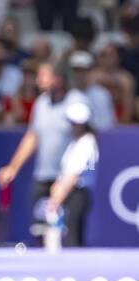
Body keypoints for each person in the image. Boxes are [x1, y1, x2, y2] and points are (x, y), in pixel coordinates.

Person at [0, 62, 89, 243]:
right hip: (43, 177)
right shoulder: (41, 103)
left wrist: (67, 179)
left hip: (71, 181)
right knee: (40, 233)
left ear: (59, 78)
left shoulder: (77, 101)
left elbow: (84, 141)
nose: (38, 81)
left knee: (70, 237)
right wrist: (13, 167)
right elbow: (33, 136)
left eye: (43, 75)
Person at [46, 100, 100, 247]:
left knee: (73, 239)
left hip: (76, 194)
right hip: (69, 193)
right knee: (68, 236)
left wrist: (56, 199)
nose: (71, 126)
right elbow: (65, 172)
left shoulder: (86, 143)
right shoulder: (75, 143)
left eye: (74, 123)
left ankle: (74, 270)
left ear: (82, 124)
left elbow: (73, 175)